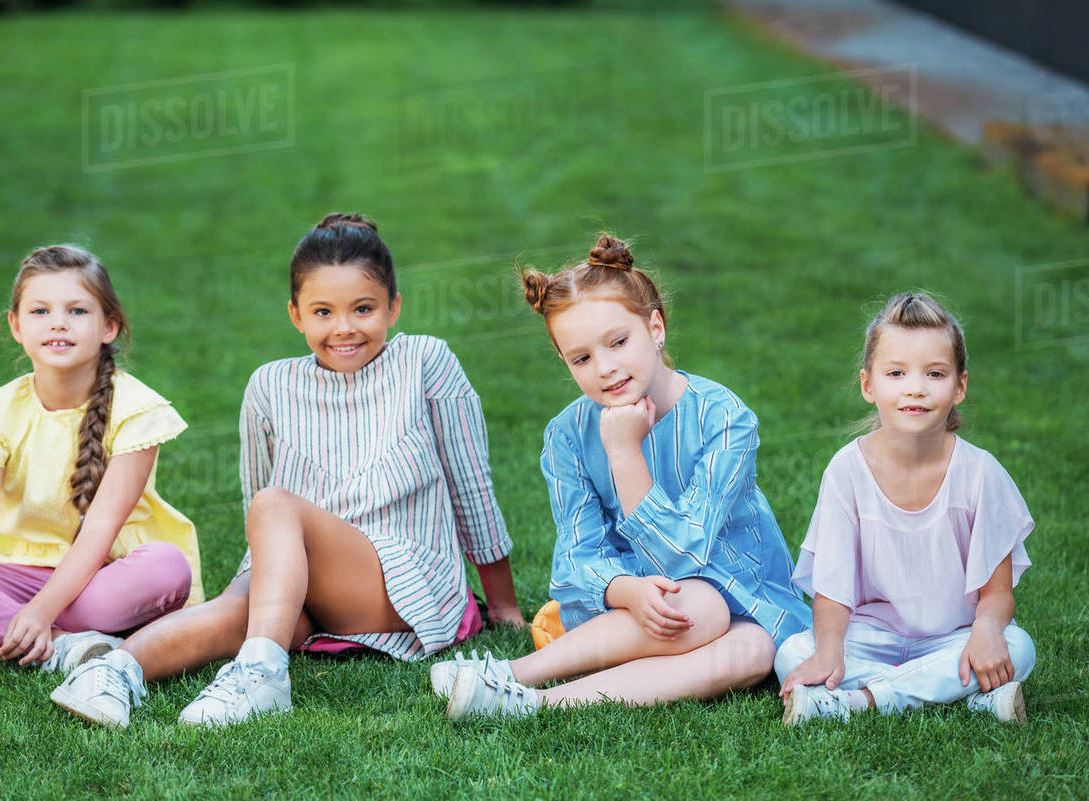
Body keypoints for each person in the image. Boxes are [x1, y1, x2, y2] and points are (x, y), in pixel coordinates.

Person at [51, 213, 524, 728]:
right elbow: (262, 520)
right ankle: (115, 673)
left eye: (363, 309)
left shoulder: (426, 361)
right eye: (323, 312)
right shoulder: (269, 387)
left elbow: (471, 485)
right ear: (296, 315)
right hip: (301, 578)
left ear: (394, 307)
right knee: (243, 603)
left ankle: (261, 676)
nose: (343, 328)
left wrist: (502, 606)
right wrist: (245, 595)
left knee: (274, 503)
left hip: (403, 582)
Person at [432, 234, 810, 720]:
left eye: (618, 342)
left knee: (753, 650)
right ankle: (513, 673)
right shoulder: (568, 434)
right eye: (582, 358)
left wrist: (625, 452)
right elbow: (576, 558)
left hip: (741, 594)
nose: (606, 369)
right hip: (634, 609)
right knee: (695, 608)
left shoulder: (724, 419)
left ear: (655, 327)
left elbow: (683, 559)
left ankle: (533, 702)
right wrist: (626, 591)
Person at [0, 245, 201, 675]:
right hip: (19, 573)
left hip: (105, 576)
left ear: (108, 326)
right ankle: (60, 644)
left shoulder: (136, 410)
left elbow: (98, 532)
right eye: (40, 311)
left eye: (77, 310)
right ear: (16, 326)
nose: (58, 322)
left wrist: (40, 611)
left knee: (167, 567)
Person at [775, 291, 1035, 725]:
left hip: (953, 637)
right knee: (793, 652)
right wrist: (828, 651)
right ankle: (967, 696)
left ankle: (858, 702)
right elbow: (833, 593)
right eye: (896, 373)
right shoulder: (847, 471)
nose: (915, 387)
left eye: (935, 373)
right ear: (868, 385)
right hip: (870, 637)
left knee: (1017, 645)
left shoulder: (980, 474)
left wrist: (987, 631)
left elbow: (996, 593)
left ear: (960, 386)